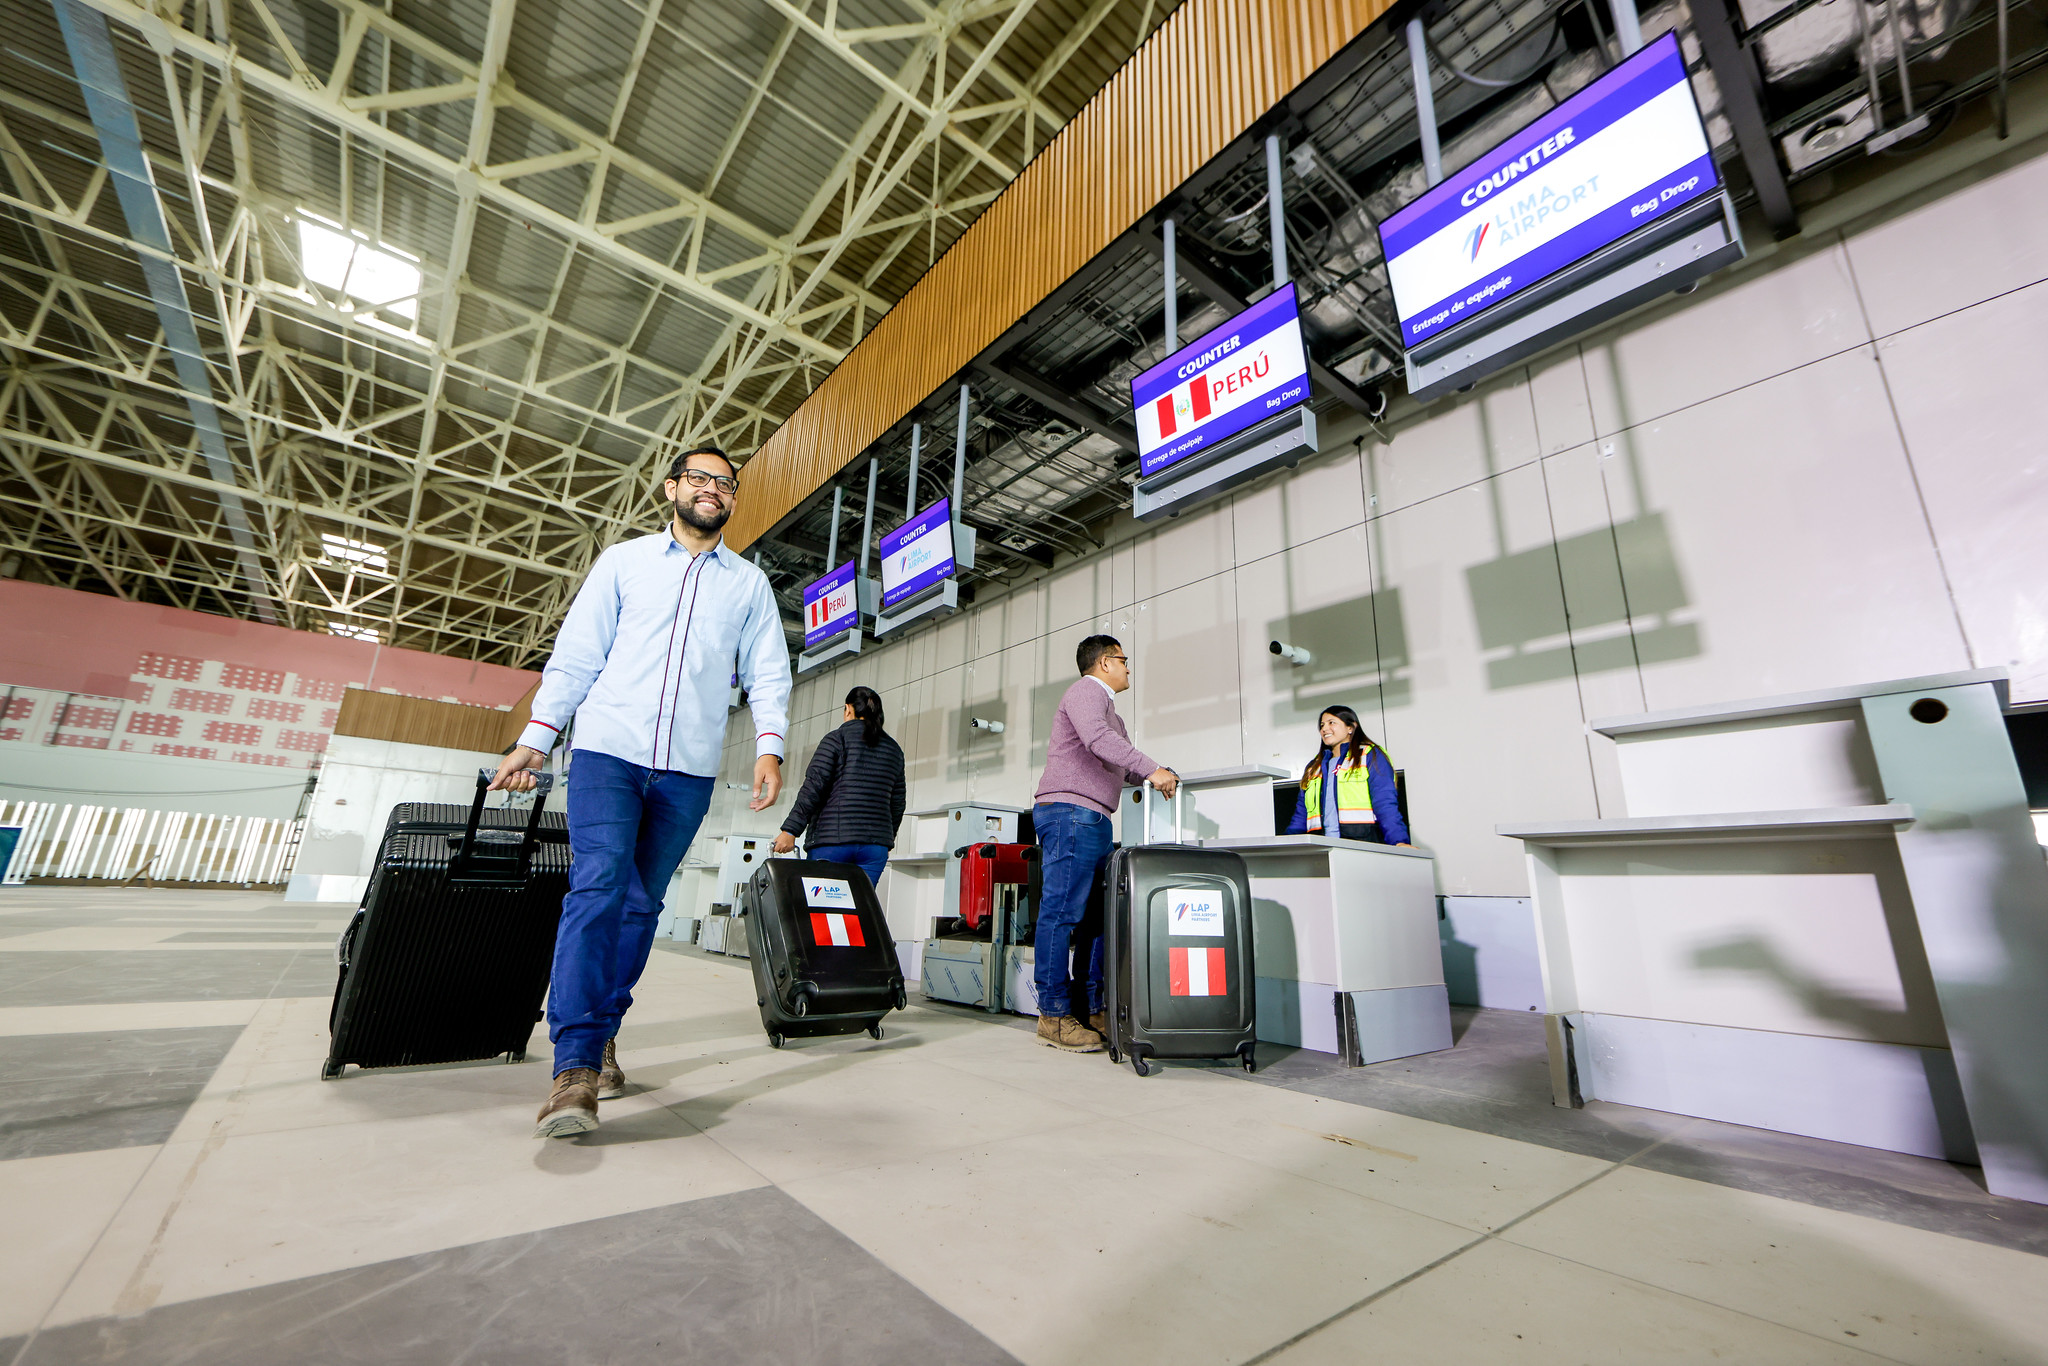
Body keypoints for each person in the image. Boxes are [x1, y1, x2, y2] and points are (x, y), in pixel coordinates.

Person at [493, 445, 792, 1140]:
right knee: (597, 888)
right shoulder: (624, 564)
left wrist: (771, 747)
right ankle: (573, 1069)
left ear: (733, 499)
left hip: (686, 768)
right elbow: (577, 653)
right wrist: (539, 735)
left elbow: (768, 673)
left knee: (638, 906)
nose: (710, 489)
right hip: (606, 753)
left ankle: (601, 1037)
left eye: (723, 482)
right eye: (698, 478)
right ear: (671, 489)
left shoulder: (747, 586)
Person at [1031, 634, 1179, 1053]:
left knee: (1095, 920)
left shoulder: (1110, 713)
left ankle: (1091, 1007)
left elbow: (1118, 761)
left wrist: (1156, 773)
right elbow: (1098, 741)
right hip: (1069, 814)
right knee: (1061, 914)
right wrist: (1152, 768)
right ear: (1103, 663)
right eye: (1123, 660)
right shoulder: (1086, 692)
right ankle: (1054, 1015)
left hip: (1092, 818)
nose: (1129, 668)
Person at [771, 686, 906, 888]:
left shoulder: (836, 739)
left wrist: (790, 831)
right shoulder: (894, 749)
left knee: (822, 911)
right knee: (858, 911)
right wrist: (885, 838)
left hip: (832, 842)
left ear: (848, 709)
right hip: (874, 848)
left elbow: (813, 787)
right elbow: (897, 802)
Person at [1285, 705, 1411, 846]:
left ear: (1350, 728)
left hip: (1362, 844)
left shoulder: (1369, 755)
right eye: (1322, 725)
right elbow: (1302, 813)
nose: (1324, 729)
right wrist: (1290, 843)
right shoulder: (1314, 767)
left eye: (1331, 723)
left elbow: (1385, 802)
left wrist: (1398, 841)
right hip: (1321, 849)